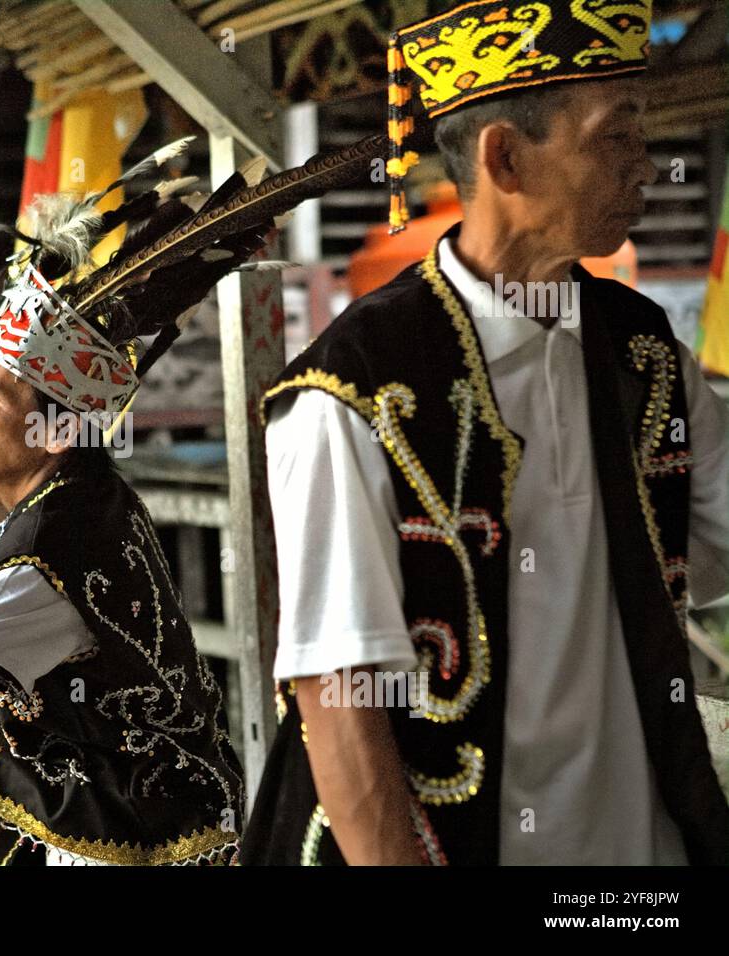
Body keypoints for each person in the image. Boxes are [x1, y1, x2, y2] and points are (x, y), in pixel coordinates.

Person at [0, 135, 378, 864]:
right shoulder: (86, 500)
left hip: (128, 837)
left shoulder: (40, 559)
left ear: (55, 429)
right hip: (170, 817)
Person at [241, 0, 729, 865]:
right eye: (616, 137)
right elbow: (338, 696)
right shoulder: (351, 391)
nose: (648, 166)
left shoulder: (643, 352)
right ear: (505, 155)